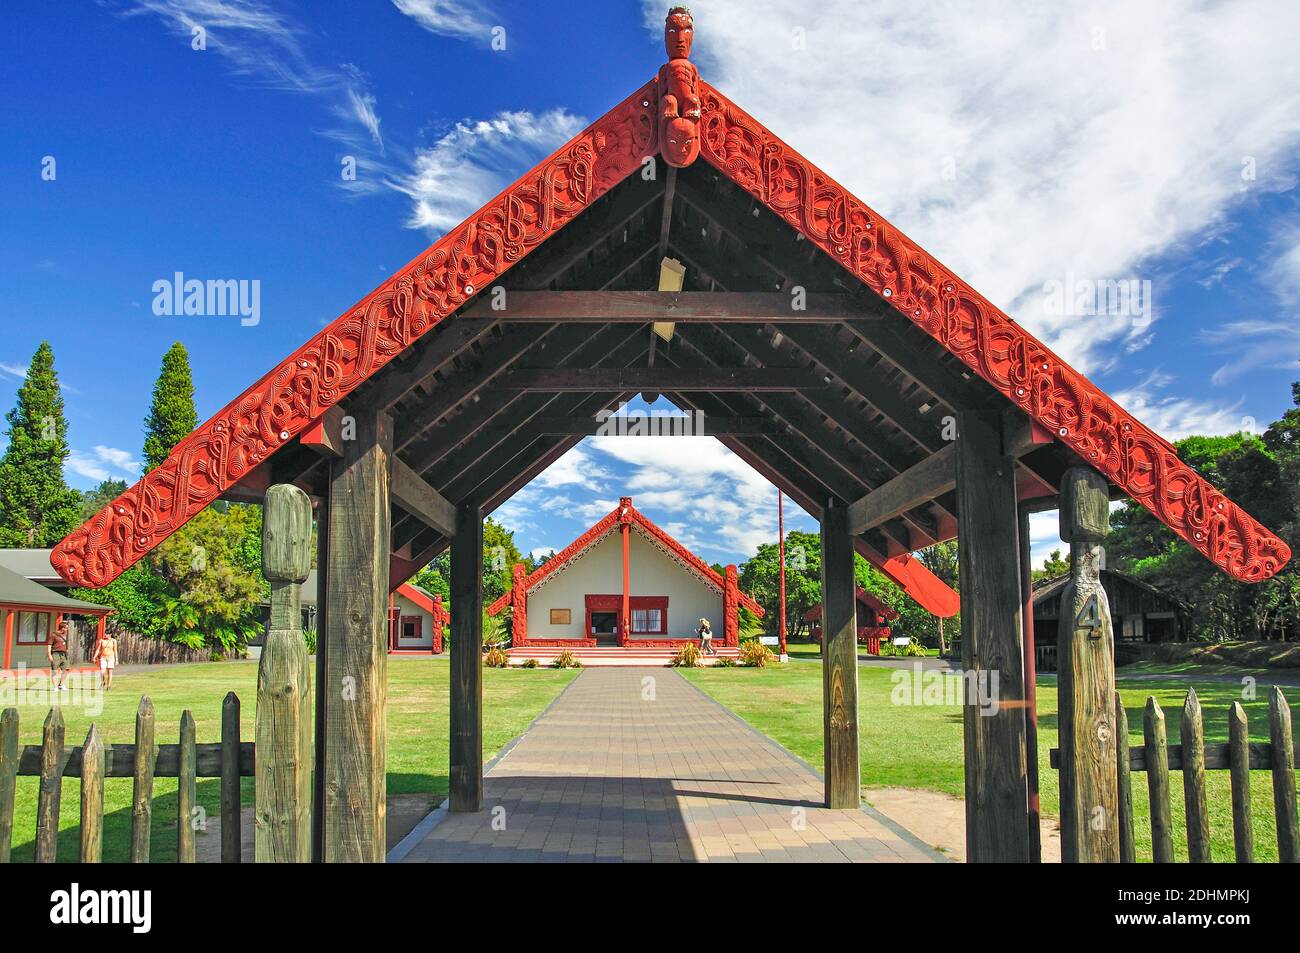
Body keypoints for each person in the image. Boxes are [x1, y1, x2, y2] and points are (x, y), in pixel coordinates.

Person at [47, 618, 71, 692]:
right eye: (66, 628)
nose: (67, 629)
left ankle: (61, 685)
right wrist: (49, 655)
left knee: (66, 669)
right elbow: (49, 645)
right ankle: (55, 687)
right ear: (62, 628)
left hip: (64, 654)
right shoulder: (54, 634)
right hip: (55, 653)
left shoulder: (65, 635)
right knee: (54, 670)